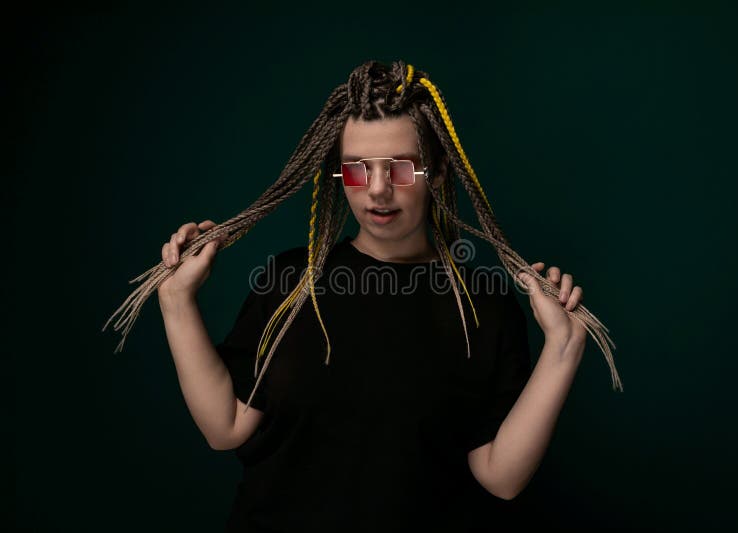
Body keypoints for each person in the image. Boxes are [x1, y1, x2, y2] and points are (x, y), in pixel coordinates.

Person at [140, 60, 620, 532]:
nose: (376, 191)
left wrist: (563, 347)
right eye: (356, 170)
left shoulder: (483, 304)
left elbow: (502, 477)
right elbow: (226, 426)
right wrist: (176, 302)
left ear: (436, 171)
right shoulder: (291, 282)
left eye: (400, 168)